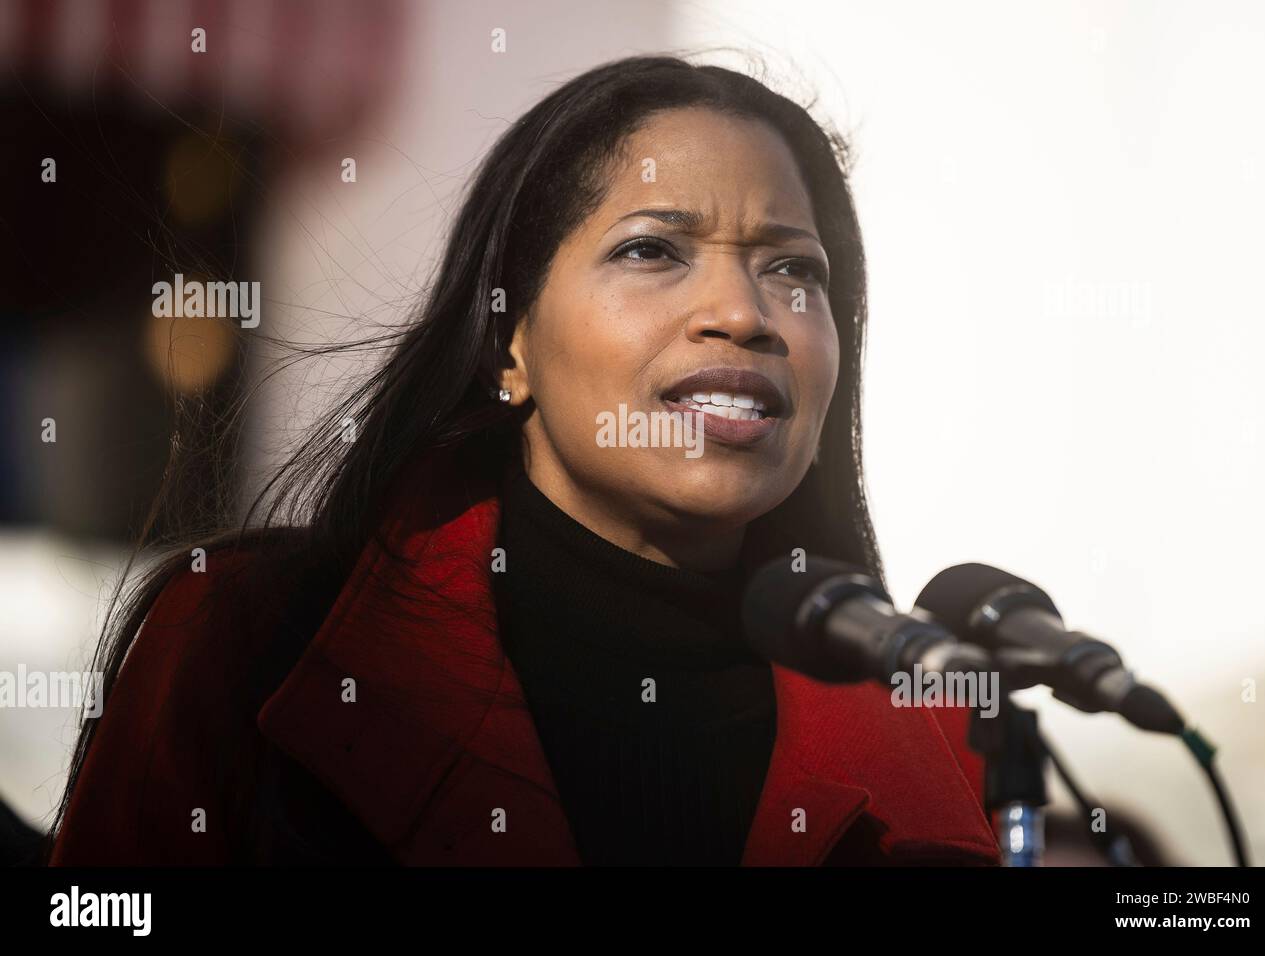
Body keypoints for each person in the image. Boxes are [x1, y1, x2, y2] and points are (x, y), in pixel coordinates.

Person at [46, 55, 1000, 867]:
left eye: (795, 268)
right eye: (654, 249)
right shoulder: (247, 641)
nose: (745, 313)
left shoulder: (950, 735)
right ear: (509, 346)